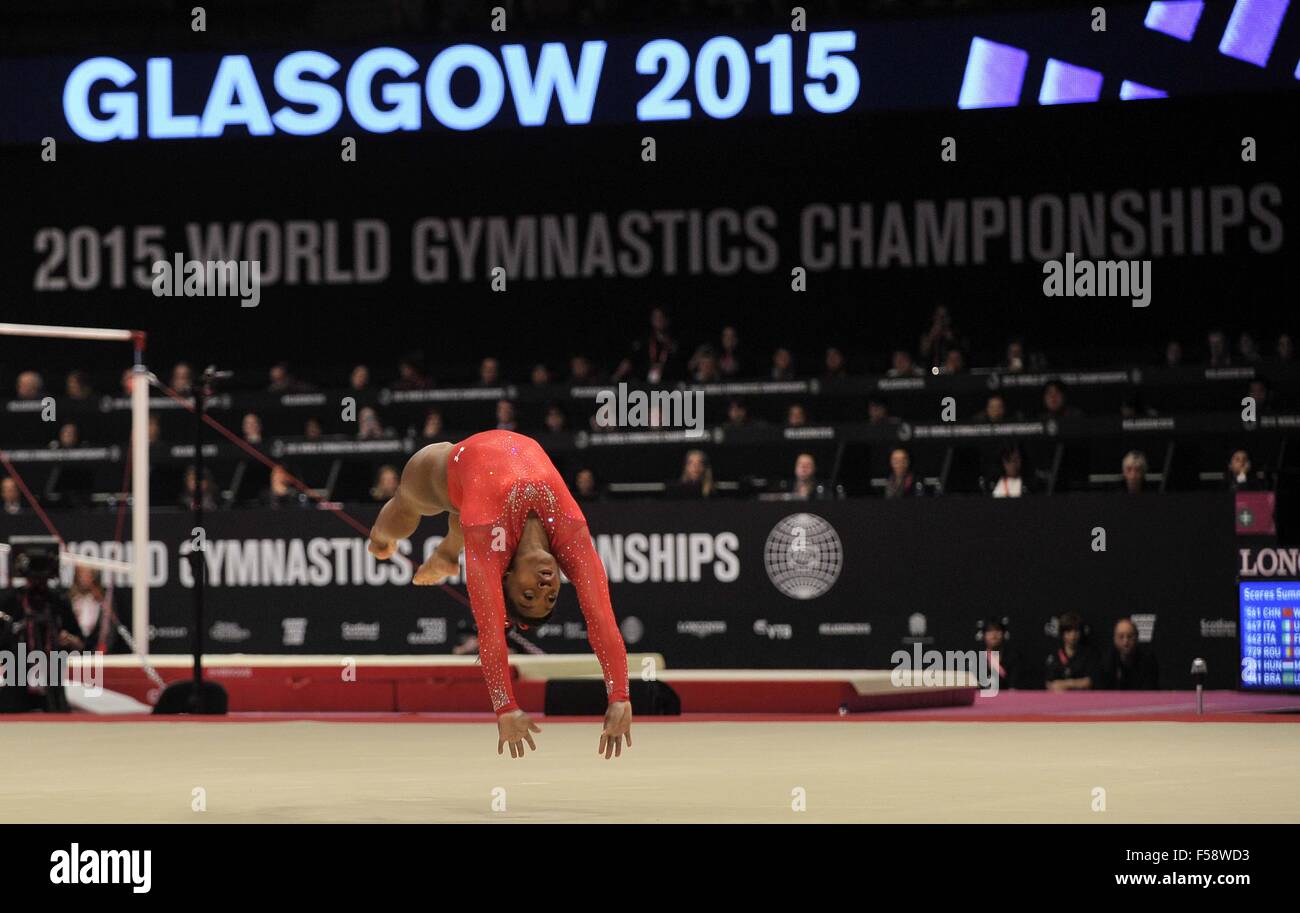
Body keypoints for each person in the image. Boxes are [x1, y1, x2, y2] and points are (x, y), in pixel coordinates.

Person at [367, 431, 631, 759]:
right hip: (476, 504)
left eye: (528, 596)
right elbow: (602, 618)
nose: (544, 589)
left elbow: (491, 634)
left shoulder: (489, 542)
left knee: (409, 497)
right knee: (454, 515)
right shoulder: (569, 534)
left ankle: (391, 540)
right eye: (549, 598)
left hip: (452, 474)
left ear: (505, 577)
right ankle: (442, 553)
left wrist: (505, 707)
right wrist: (620, 695)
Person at [1097, 618, 1159, 690]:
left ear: (1136, 637)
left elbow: (1149, 690)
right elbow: (1102, 692)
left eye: (1130, 636)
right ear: (1115, 639)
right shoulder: (1107, 661)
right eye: (1121, 637)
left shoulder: (1148, 660)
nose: (1125, 642)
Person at [1045, 611, 1099, 691]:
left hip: (1083, 699)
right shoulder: (1054, 655)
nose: (1073, 635)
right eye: (1068, 631)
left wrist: (1066, 684)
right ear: (1062, 634)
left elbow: (1088, 682)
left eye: (1076, 631)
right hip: (1059, 699)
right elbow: (1050, 684)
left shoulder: (1089, 654)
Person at [980, 618, 1025, 690]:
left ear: (1004, 634)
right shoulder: (976, 660)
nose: (994, 635)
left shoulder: (1014, 658)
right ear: (984, 635)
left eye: (997, 630)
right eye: (989, 631)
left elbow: (1014, 687)